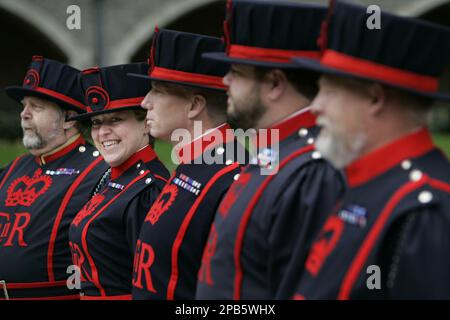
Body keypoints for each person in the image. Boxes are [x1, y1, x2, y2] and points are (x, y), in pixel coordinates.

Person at [291, 0, 450, 299]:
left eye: (329, 90)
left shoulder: (426, 212)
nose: (316, 106)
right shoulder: (366, 179)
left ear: (375, 99)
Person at [195, 0, 345, 300]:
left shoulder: (313, 171)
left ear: (275, 83)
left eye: (236, 72)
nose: (224, 82)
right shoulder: (277, 149)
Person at [129, 28, 246, 300]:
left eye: (157, 90)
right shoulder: (196, 162)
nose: (145, 102)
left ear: (194, 105)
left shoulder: (231, 176)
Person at [0, 56, 108, 300]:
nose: (24, 115)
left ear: (69, 119)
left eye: (36, 107)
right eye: (24, 106)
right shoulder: (14, 167)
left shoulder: (100, 172)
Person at [68, 63, 170, 300]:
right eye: (96, 123)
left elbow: (152, 286)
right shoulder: (116, 178)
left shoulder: (149, 189)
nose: (102, 132)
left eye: (115, 120)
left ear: (146, 123)